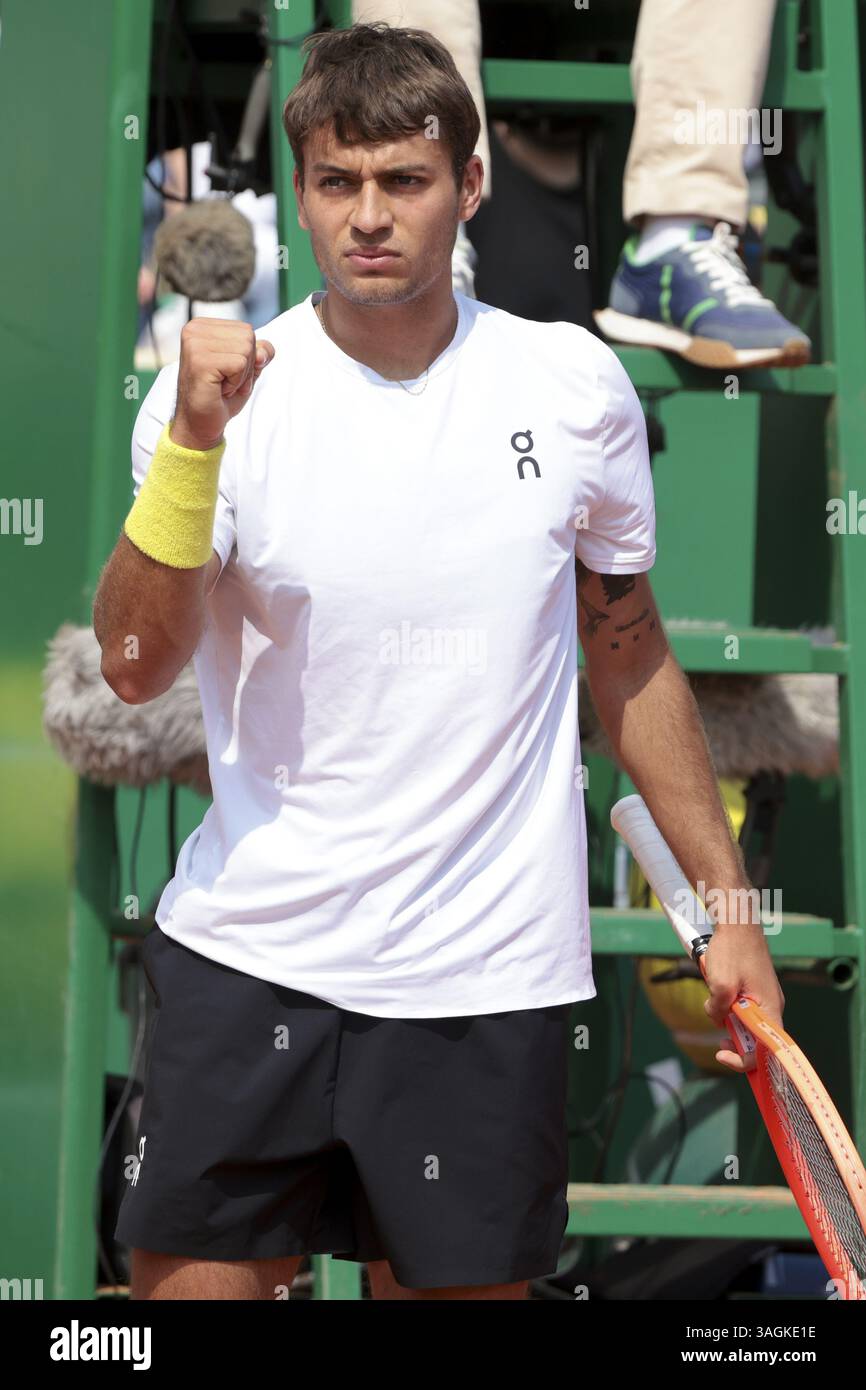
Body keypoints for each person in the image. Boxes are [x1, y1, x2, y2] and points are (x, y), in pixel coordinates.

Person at [94, 22, 785, 1302]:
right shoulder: (213, 404)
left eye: (402, 182)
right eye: (337, 183)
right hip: (247, 964)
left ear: (466, 190)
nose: (368, 217)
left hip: (485, 984)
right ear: (300, 195)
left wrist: (727, 904)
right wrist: (194, 443)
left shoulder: (575, 387)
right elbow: (135, 666)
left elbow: (625, 653)